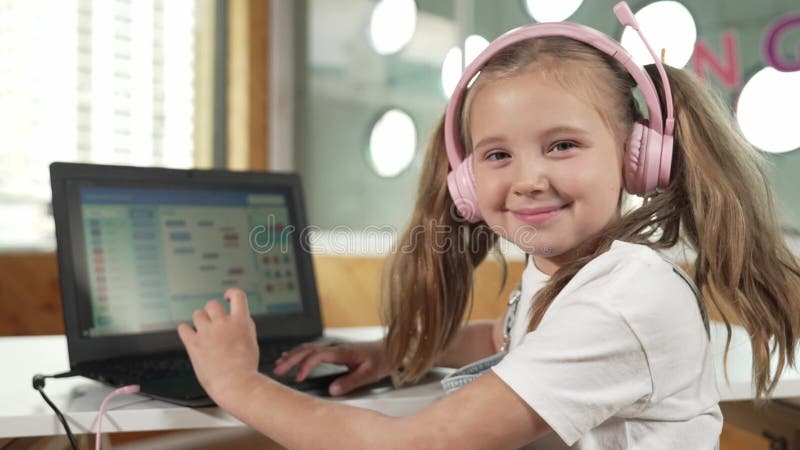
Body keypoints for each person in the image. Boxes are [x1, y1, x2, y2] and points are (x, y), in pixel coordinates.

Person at [177, 2, 800, 448]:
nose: (527, 178)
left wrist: (237, 384)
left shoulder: (625, 295)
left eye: (562, 145)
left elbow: (411, 445)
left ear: (637, 156)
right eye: (498, 155)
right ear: (469, 181)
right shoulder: (577, 273)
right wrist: (402, 351)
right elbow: (519, 341)